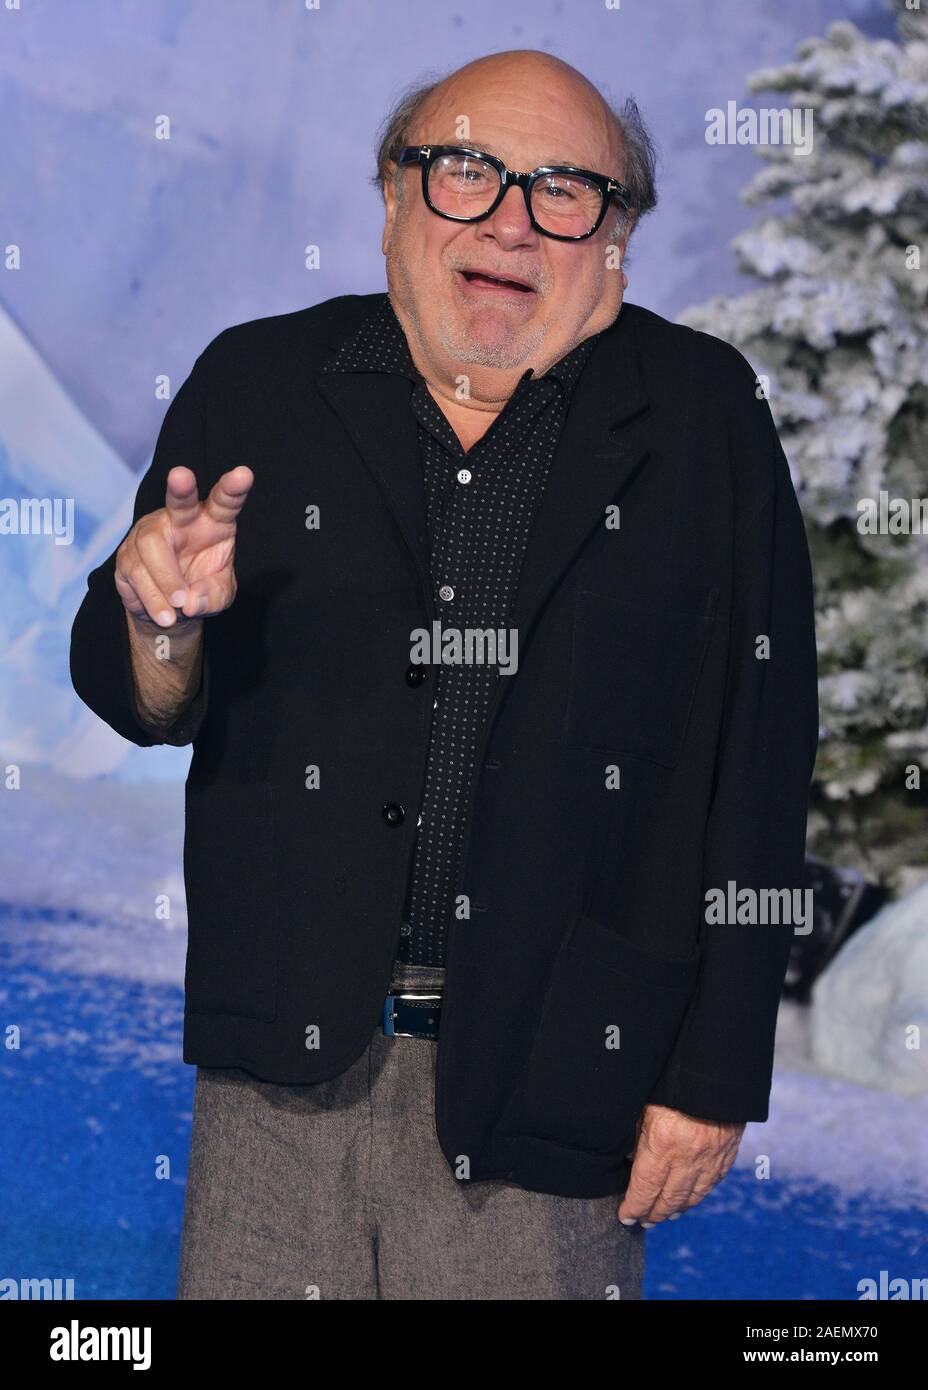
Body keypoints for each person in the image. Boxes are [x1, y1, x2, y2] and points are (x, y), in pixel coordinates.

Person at [69, 49, 819, 1300]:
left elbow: (760, 755)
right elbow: (139, 694)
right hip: (279, 1073)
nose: (512, 223)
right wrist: (163, 626)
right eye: (468, 172)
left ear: (617, 233)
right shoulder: (255, 382)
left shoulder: (705, 418)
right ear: (392, 195)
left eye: (564, 189)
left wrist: (714, 1072)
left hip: (560, 1083)